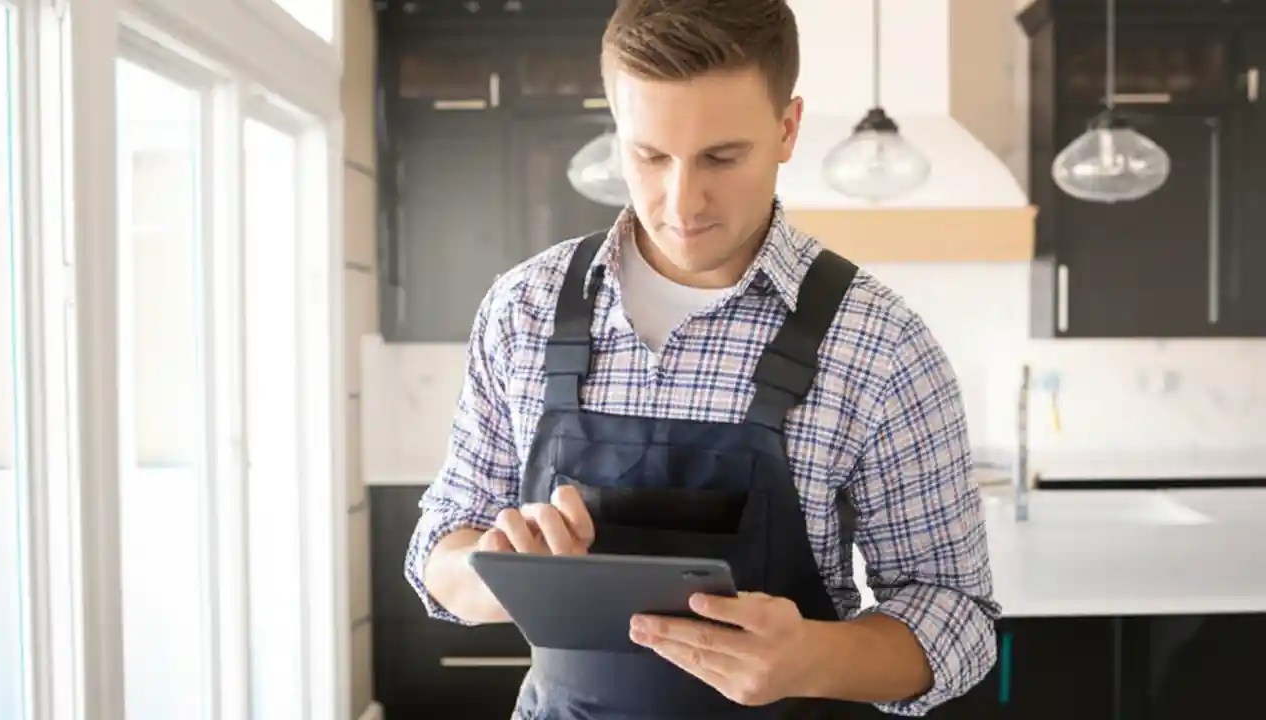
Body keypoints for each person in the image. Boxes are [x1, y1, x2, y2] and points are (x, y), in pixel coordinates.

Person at [405, 0, 1000, 717]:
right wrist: (499, 571)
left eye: (722, 156)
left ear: (787, 128)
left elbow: (960, 617)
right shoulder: (522, 309)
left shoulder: (879, 342)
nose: (682, 203)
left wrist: (814, 657)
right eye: (649, 156)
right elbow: (439, 549)